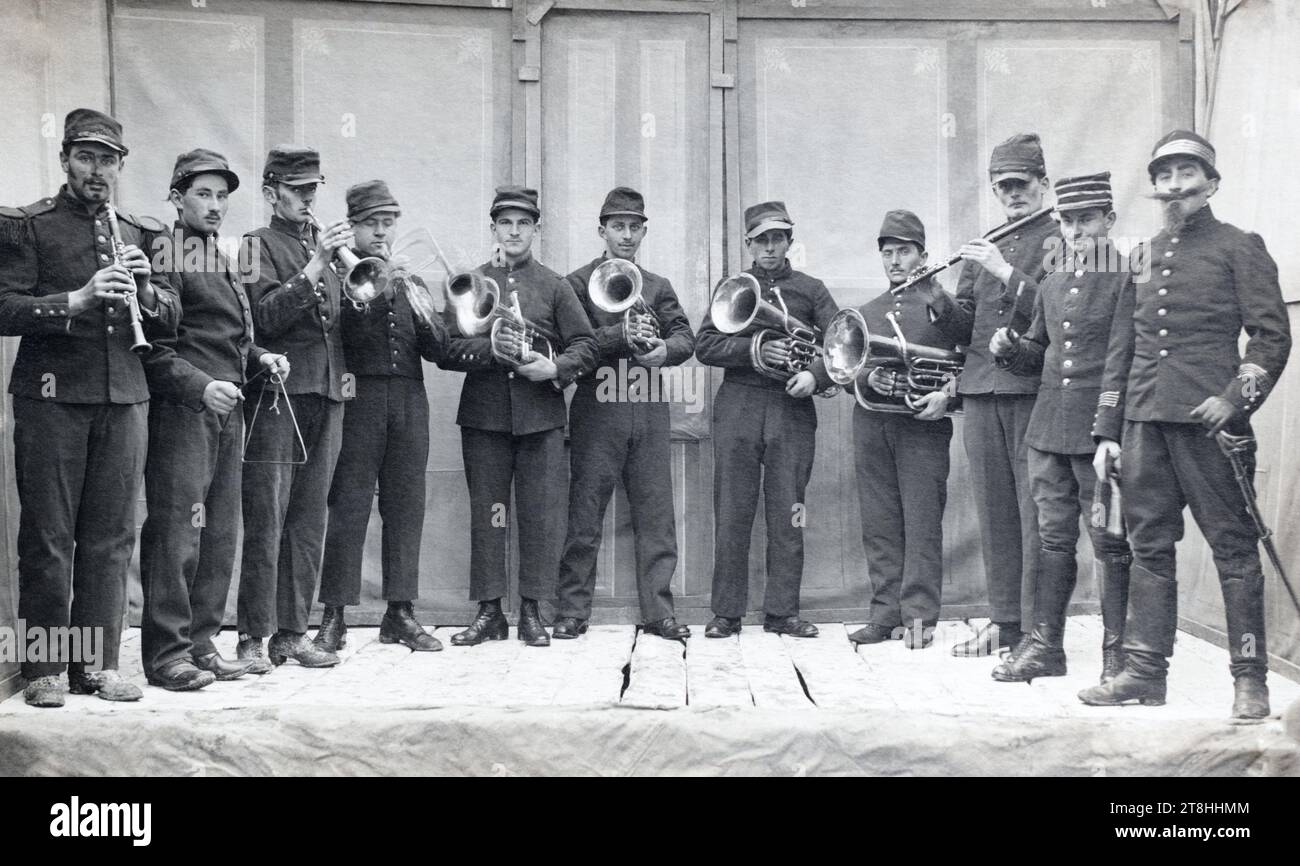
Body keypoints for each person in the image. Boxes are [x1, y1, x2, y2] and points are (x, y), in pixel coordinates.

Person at [1079, 131, 1291, 719]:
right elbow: (1121, 350)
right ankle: (1145, 673)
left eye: (1185, 174)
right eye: (1164, 175)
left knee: (1234, 551)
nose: (1173, 185)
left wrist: (1235, 399)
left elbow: (1272, 337)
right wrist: (1108, 431)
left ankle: (1250, 679)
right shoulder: (1141, 255)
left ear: (1211, 183)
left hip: (1211, 429)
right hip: (1145, 425)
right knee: (1149, 548)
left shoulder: (1240, 247)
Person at [0, 108, 178, 707]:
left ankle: (95, 664)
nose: (97, 171)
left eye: (108, 160)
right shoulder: (28, 225)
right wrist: (75, 299)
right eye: (86, 157)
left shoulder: (139, 231)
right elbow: (2, 308)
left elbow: (174, 318)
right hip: (51, 398)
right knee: (49, 536)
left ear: (120, 166)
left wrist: (147, 287)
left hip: (124, 398)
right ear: (65, 160)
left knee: (111, 538)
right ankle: (44, 668)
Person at [139, 149, 290, 689]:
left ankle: (202, 644)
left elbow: (231, 338)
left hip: (230, 411)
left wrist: (259, 358)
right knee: (177, 533)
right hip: (185, 412)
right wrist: (203, 388)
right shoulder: (164, 254)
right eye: (204, 193)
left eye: (223, 195)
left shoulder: (222, 257)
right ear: (177, 199)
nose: (216, 205)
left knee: (220, 534)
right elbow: (154, 350)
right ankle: (166, 655)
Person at [987, 172, 1133, 683]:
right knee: (1052, 540)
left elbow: (1124, 362)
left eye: (1086, 220)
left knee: (1111, 542)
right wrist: (1011, 351)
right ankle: (1047, 647)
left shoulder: (1128, 277)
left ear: (1109, 221)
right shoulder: (1052, 280)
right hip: (1048, 431)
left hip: (1097, 433)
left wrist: (1109, 431)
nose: (1075, 231)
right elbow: (1040, 354)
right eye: (1067, 221)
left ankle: (1119, 657)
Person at [439, 185, 597, 647]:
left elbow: (585, 345)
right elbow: (447, 348)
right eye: (505, 223)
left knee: (538, 515)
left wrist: (556, 367)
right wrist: (491, 350)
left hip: (540, 418)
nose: (513, 231)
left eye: (522, 223)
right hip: (485, 417)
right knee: (488, 514)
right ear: (493, 229)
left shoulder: (555, 284)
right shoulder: (470, 282)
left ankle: (531, 610)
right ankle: (489, 612)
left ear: (535, 230)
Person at [925, 133, 1059, 657]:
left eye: (1020, 185)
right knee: (995, 512)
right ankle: (1004, 623)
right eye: (1002, 187)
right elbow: (965, 328)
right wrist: (935, 298)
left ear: (1043, 184)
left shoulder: (1060, 238)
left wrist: (1004, 270)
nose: (1011, 195)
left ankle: (1035, 629)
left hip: (1030, 389)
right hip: (981, 392)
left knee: (1035, 514)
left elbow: (1061, 312)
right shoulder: (989, 240)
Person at [554, 187, 696, 641]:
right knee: (585, 515)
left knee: (656, 516)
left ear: (644, 231)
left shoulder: (657, 286)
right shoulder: (576, 284)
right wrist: (619, 335)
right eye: (618, 227)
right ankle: (573, 611)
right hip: (598, 410)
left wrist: (665, 351)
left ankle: (659, 613)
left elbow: (686, 337)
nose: (627, 235)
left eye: (635, 227)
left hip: (649, 409)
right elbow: (569, 350)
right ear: (602, 231)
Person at [695, 201, 839, 639]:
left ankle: (782, 612)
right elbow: (704, 345)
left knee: (788, 512)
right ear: (748, 244)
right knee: (733, 510)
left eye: (778, 238)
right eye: (761, 240)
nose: (770, 247)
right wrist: (755, 350)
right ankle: (726, 613)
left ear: (789, 241)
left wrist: (813, 376)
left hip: (790, 408)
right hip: (738, 404)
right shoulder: (734, 287)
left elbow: (843, 346)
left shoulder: (812, 290)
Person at [315, 180, 446, 653]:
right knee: (348, 506)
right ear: (352, 227)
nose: (382, 232)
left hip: (410, 399)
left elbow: (438, 348)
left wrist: (428, 305)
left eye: (389, 223)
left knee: (406, 506)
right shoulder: (338, 274)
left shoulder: (407, 276)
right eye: (372, 223)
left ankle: (400, 613)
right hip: (358, 397)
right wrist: (376, 285)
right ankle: (334, 614)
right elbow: (335, 331)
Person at [237, 145, 350, 669]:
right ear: (270, 193)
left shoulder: (318, 248)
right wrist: (318, 264)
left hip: (325, 392)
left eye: (313, 190)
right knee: (268, 515)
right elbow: (262, 319)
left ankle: (291, 633)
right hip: (277, 395)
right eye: (298, 190)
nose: (308, 198)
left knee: (308, 520)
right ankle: (252, 638)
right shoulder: (253, 245)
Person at [846, 210, 958, 650]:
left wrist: (947, 392)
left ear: (923, 255)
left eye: (904, 252)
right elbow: (844, 366)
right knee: (879, 524)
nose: (895, 261)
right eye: (888, 253)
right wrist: (866, 379)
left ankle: (918, 618)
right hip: (872, 425)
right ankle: (884, 615)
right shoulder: (867, 311)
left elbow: (969, 361)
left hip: (921, 430)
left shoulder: (945, 310)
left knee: (922, 523)